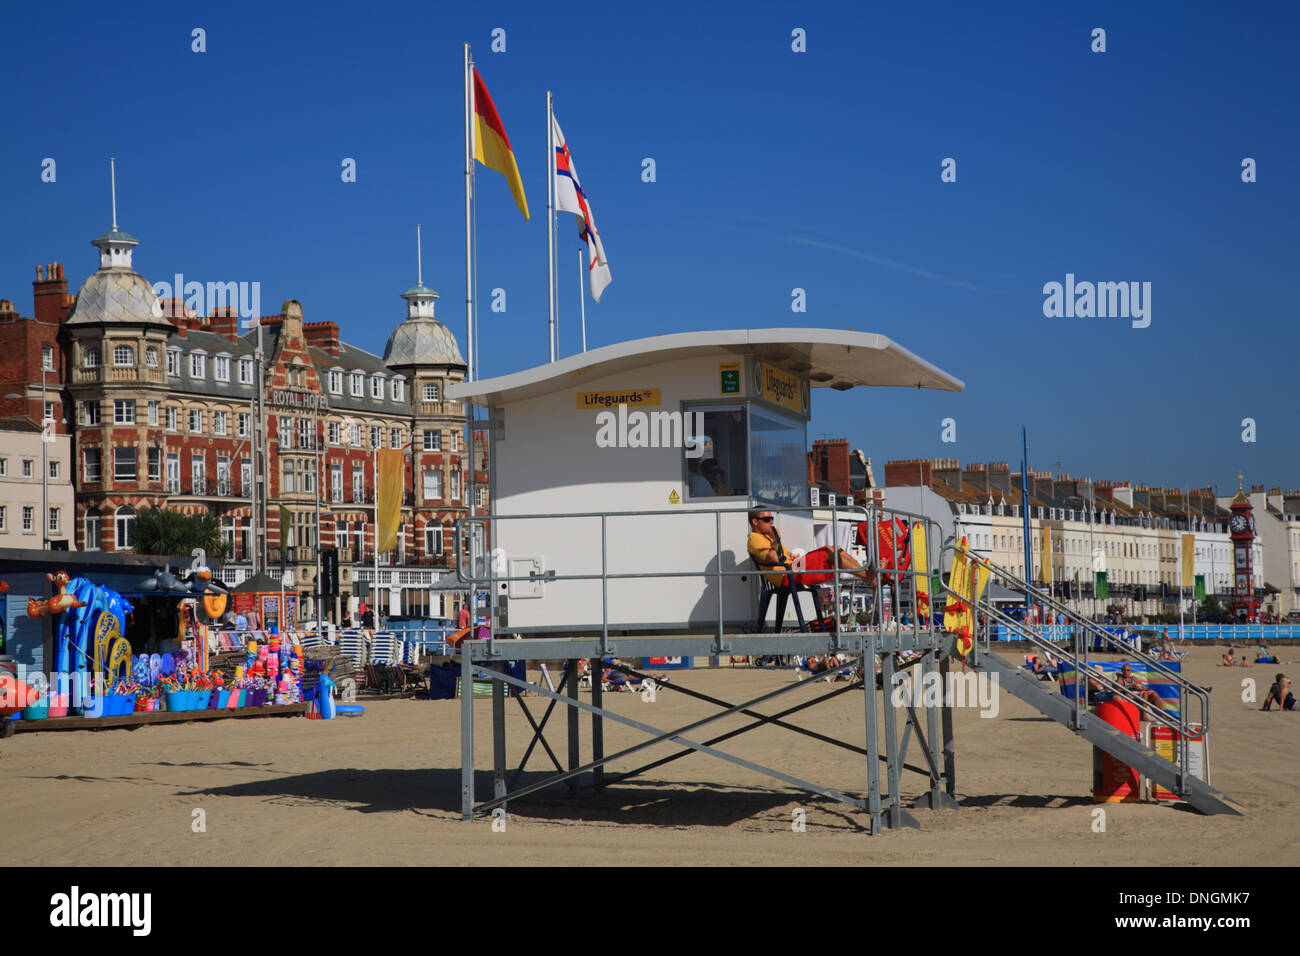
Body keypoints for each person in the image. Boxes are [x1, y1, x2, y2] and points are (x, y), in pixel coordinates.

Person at [746, 509, 875, 588]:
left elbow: (784, 555)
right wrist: (776, 540)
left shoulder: (767, 537)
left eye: (772, 519)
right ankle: (868, 576)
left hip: (792, 569)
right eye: (767, 519)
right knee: (830, 552)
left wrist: (793, 555)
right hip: (787, 575)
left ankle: (867, 575)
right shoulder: (755, 538)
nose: (771, 522)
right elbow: (774, 557)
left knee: (835, 549)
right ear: (755, 522)